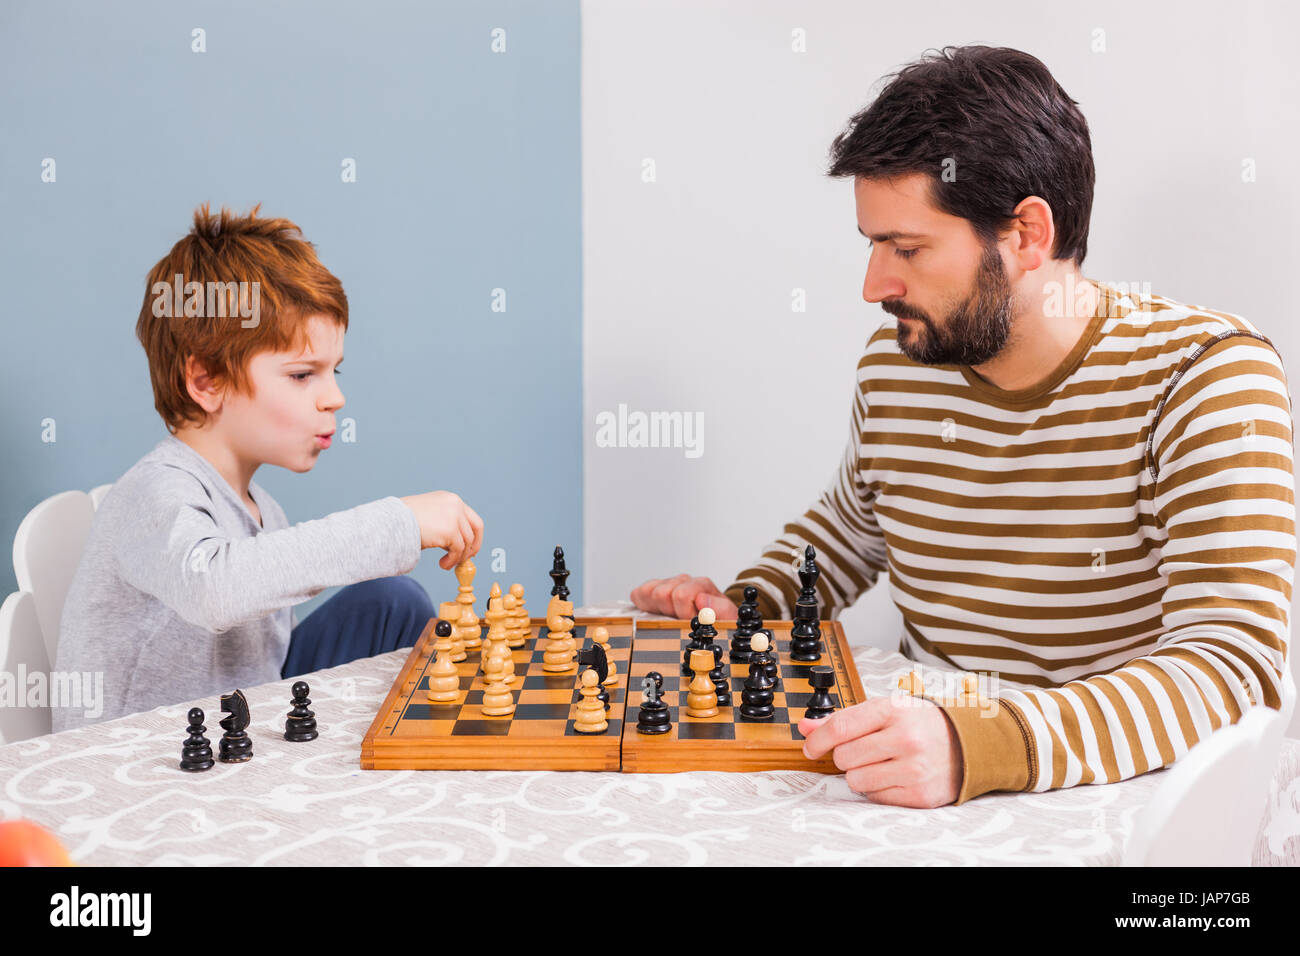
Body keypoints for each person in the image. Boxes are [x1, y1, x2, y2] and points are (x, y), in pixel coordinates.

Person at [631, 45, 1295, 808]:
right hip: (926, 787)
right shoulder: (901, 358)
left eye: (907, 248)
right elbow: (854, 527)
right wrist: (750, 607)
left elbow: (1232, 663)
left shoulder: (1208, 378)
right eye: (874, 244)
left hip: (1118, 800)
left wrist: (979, 742)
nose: (874, 286)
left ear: (1026, 235)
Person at [53, 204, 482, 730]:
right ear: (207, 381)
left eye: (334, 371)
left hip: (239, 728)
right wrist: (399, 523)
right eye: (303, 375)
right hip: (139, 767)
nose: (336, 398)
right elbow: (214, 588)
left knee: (392, 604)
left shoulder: (265, 510)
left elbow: (266, 661)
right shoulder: (153, 491)